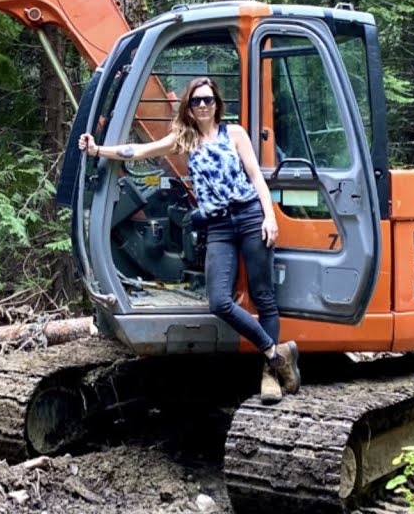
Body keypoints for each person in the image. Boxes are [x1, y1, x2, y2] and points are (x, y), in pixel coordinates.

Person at [77, 76, 301, 404]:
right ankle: (276, 354)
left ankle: (270, 375)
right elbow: (138, 151)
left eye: (208, 100)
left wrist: (269, 217)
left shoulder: (235, 134)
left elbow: (256, 177)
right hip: (219, 227)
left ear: (217, 104)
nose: (203, 105)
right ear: (189, 107)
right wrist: (97, 150)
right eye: (196, 101)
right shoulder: (184, 139)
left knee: (264, 297)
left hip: (250, 216)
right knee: (219, 302)